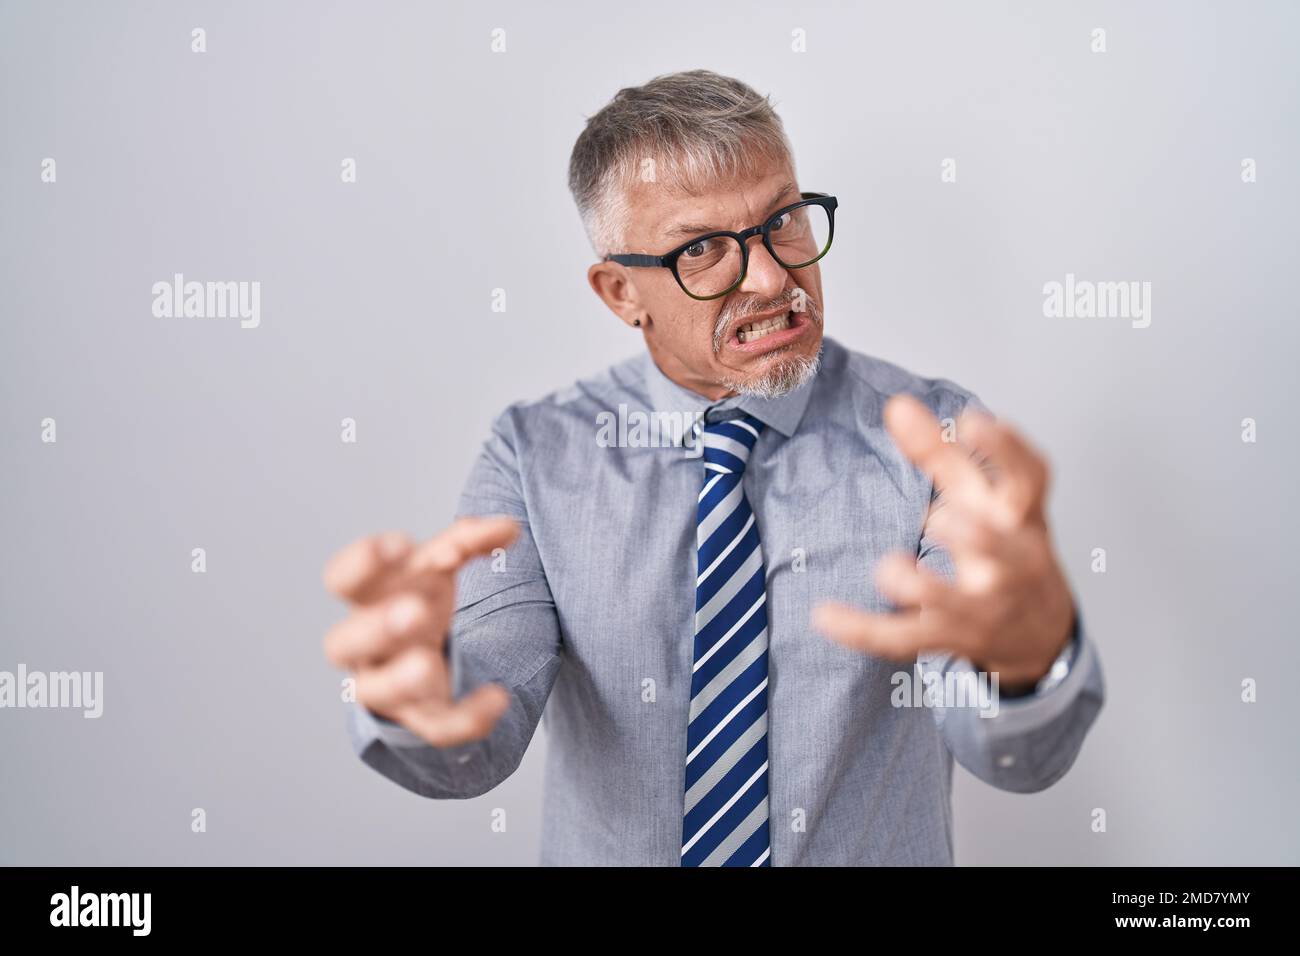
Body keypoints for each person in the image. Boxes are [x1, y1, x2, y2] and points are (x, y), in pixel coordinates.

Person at [322, 70, 1104, 866]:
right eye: (702, 249)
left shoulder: (935, 436)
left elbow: (1016, 753)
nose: (770, 280)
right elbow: (476, 731)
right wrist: (422, 698)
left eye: (784, 222)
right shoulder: (532, 457)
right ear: (622, 291)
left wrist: (1028, 665)